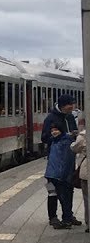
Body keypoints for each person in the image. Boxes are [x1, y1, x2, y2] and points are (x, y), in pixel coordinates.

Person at [43, 94, 80, 229]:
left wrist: (74, 136)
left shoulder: (70, 117)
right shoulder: (51, 118)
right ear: (63, 105)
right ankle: (53, 217)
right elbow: (44, 137)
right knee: (53, 188)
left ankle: (68, 215)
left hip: (69, 157)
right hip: (55, 158)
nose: (72, 107)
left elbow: (74, 133)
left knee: (69, 187)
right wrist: (55, 136)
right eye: (70, 105)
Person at [72, 115, 89, 232]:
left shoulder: (83, 136)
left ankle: (89, 224)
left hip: (86, 171)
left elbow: (74, 148)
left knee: (87, 199)